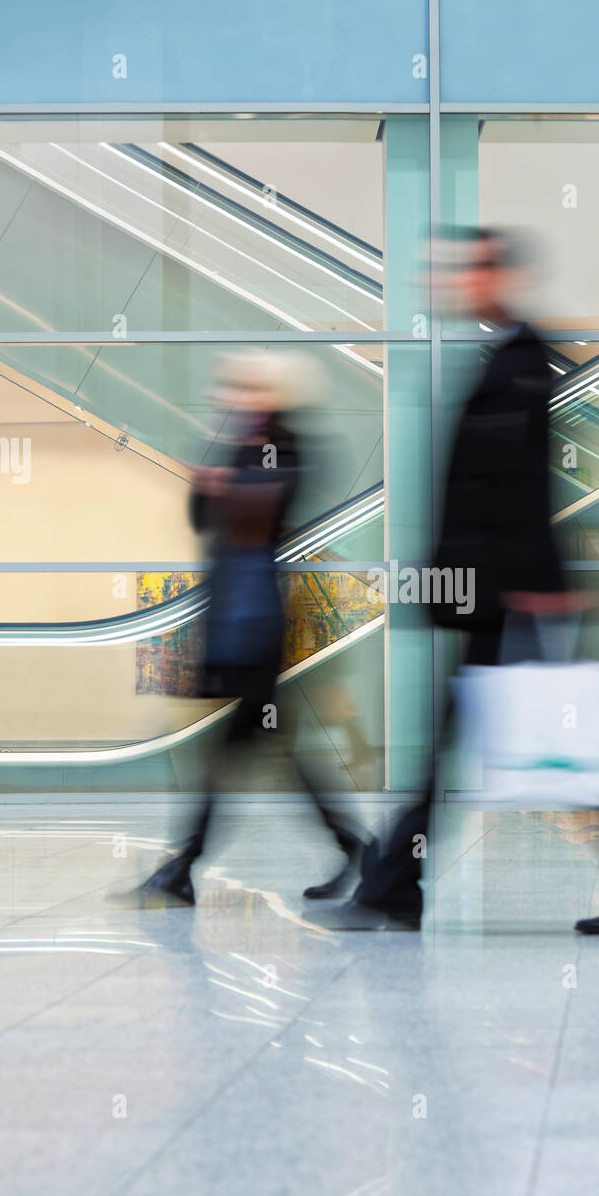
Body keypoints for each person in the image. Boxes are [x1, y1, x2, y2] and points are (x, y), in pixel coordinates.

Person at [305, 227, 599, 934]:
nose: (457, 284)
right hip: (495, 592)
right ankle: (399, 884)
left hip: (515, 593)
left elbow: (525, 484)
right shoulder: (504, 360)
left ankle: (397, 885)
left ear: (499, 279)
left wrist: (537, 582)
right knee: (538, 741)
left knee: (564, 741)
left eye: (469, 272)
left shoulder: (523, 361)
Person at [121, 350, 374, 907]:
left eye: (248, 384)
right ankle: (357, 848)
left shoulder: (289, 440)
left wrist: (222, 485)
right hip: (236, 612)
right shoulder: (237, 442)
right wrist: (216, 484)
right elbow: (202, 517)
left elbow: (262, 508)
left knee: (236, 750)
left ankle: (183, 868)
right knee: (272, 749)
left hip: (256, 618)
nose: (235, 392)